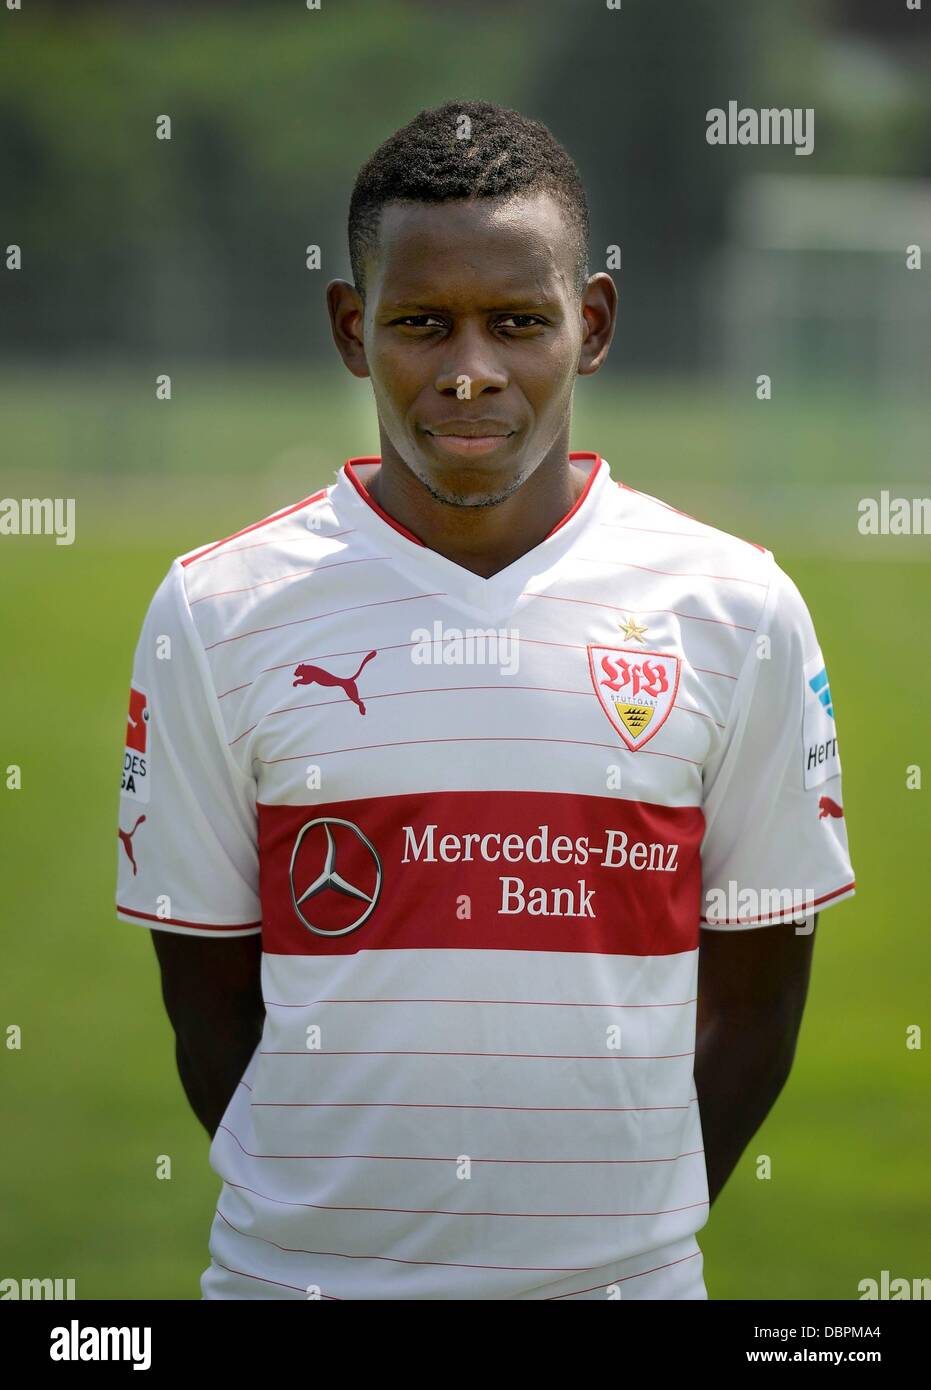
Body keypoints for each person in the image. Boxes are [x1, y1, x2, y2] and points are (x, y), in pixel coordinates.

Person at [115, 100, 855, 1300]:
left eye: (518, 321)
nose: (470, 372)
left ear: (593, 323)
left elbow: (760, 1000)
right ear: (352, 330)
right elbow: (207, 1006)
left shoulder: (736, 608)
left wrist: (599, 1243)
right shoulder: (216, 610)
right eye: (421, 323)